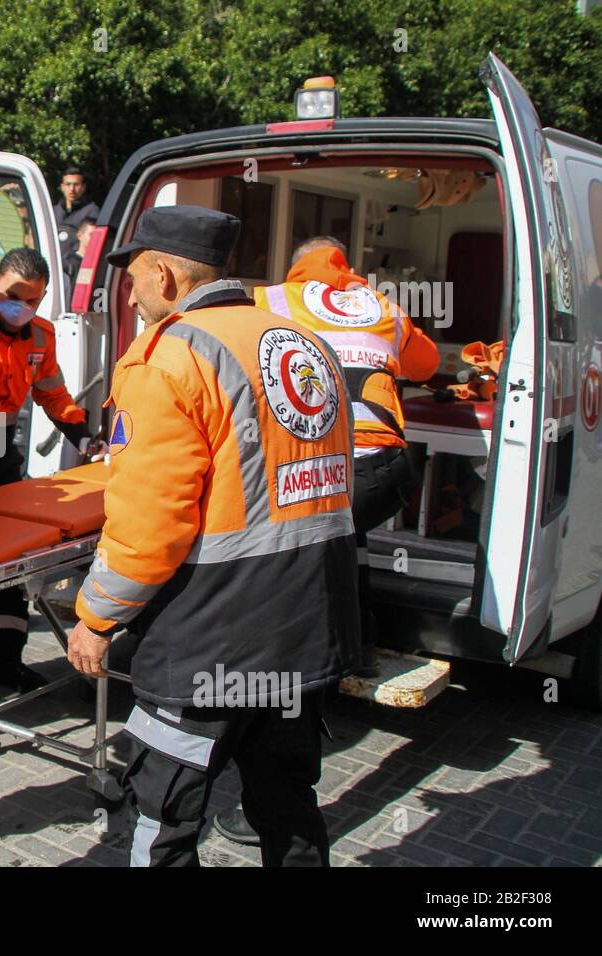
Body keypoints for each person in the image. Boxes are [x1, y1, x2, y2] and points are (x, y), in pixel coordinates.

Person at [65, 206, 359, 867]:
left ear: (164, 274)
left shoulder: (170, 356)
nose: (131, 292)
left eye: (134, 276)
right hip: (307, 625)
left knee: (162, 816)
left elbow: (151, 520)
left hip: (214, 637)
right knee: (287, 805)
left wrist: (94, 616)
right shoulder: (300, 342)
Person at [210, 236, 440, 849]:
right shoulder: (382, 306)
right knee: (343, 541)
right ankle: (355, 646)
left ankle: (279, 765)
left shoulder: (275, 298)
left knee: (292, 587)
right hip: (389, 469)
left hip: (332, 467)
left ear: (298, 268)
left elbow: (222, 336)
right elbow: (425, 367)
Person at [0, 247, 103, 691]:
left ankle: (4, 661)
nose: (22, 308)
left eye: (33, 301)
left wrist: (86, 438)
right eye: (14, 297)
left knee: (12, 562)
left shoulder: (41, 337)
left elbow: (54, 396)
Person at [53, 167, 100, 259]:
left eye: (76, 184)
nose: (72, 189)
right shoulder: (53, 211)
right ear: (62, 187)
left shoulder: (92, 211)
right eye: (68, 184)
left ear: (83, 187)